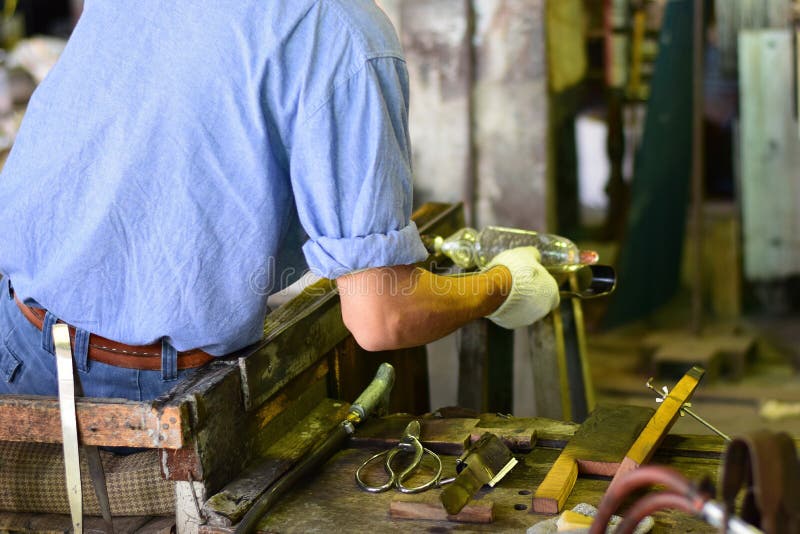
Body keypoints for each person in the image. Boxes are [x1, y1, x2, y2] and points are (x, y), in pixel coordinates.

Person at [0, 0, 559, 402]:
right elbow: (382, 317)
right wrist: (503, 286)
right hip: (133, 384)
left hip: (15, 318)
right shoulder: (342, 31)